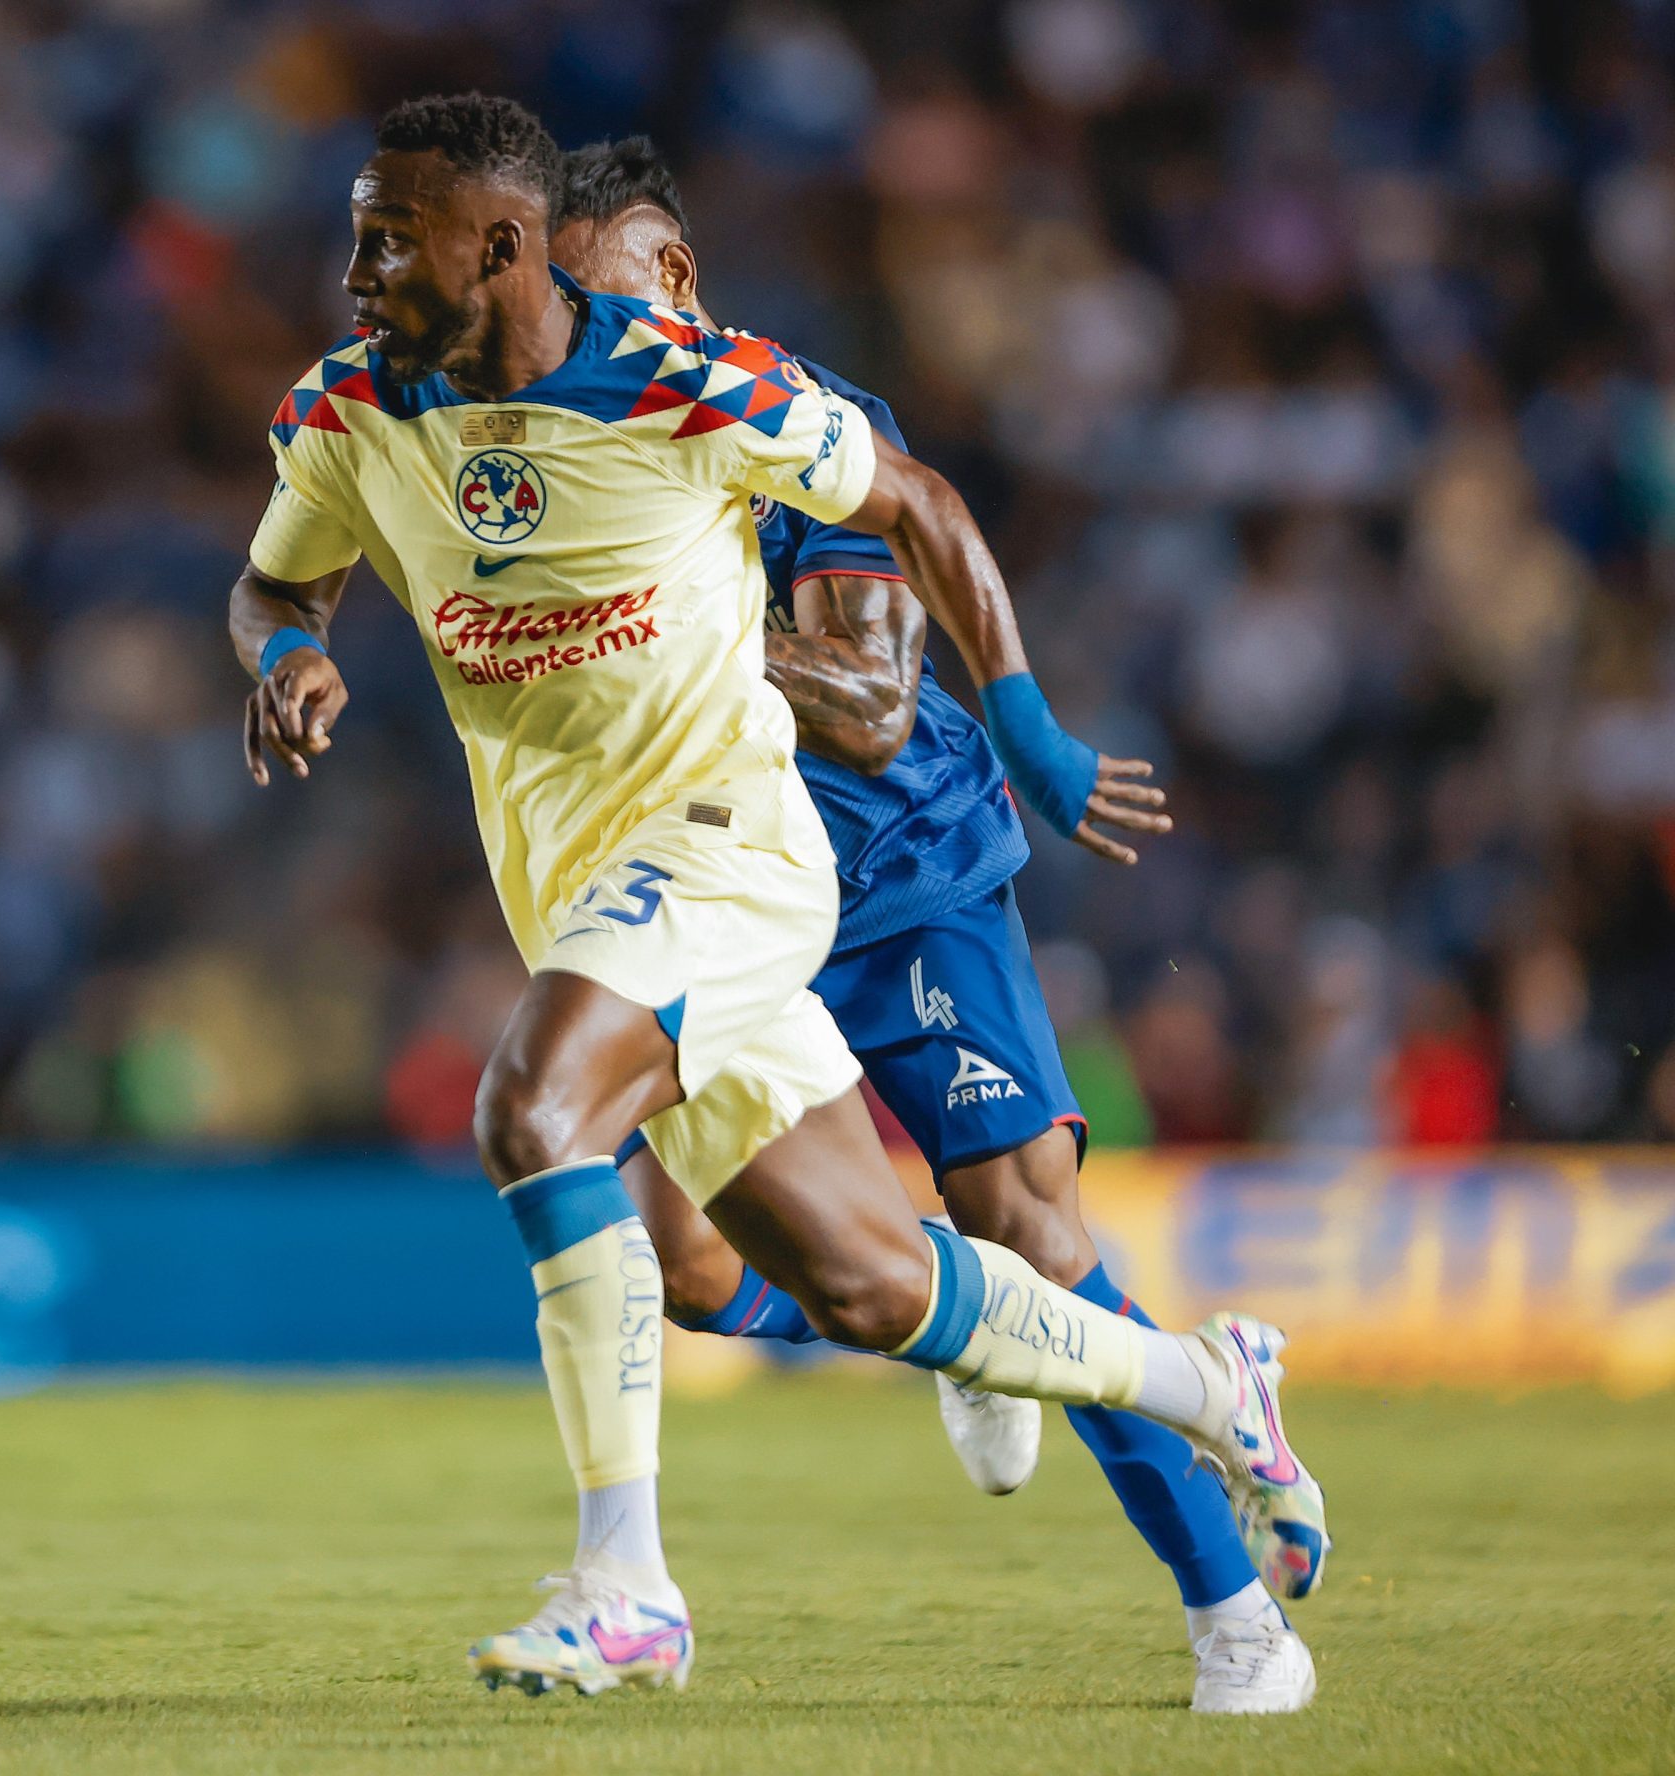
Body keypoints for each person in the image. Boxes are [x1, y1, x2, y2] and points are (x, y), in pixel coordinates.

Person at [230, 94, 1326, 1700]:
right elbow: (277, 576)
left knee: (542, 1114)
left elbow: (887, 667)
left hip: (830, 854)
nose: (357, 266)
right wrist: (292, 648)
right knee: (859, 1282)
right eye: (360, 233)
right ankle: (1208, 1384)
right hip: (600, 884)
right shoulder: (356, 407)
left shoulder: (731, 393)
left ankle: (646, 1586)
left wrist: (1022, 727)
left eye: (390, 236)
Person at [546, 135, 1313, 1714]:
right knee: (693, 1276)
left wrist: (690, 638)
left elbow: (883, 709)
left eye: (599, 295)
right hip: (709, 893)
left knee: (1036, 1232)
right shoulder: (556, 444)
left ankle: (1236, 1618)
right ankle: (972, 1330)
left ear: (673, 279)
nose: (580, 336)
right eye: (556, 308)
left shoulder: (796, 423)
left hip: (895, 876)